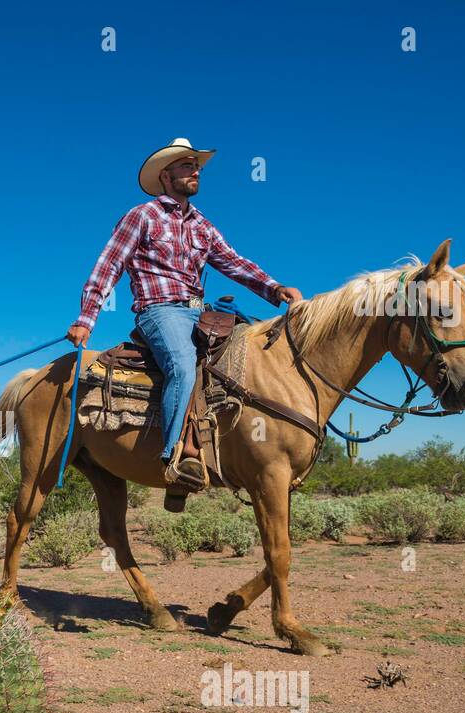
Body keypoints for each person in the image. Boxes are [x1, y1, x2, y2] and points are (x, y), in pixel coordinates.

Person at [67, 138, 303, 490]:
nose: (196, 172)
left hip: (201, 313)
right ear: (165, 175)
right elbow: (109, 266)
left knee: (253, 357)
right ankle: (177, 456)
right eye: (186, 166)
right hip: (159, 312)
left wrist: (273, 288)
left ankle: (244, 449)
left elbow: (234, 262)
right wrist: (87, 318)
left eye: (197, 167)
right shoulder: (142, 216)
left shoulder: (202, 226)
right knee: (181, 363)